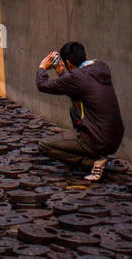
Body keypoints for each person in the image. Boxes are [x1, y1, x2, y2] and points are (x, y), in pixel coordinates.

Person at [36, 41, 125, 181]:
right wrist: (62, 75)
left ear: (68, 62)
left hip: (98, 140)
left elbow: (42, 85)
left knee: (45, 145)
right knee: (74, 111)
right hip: (115, 137)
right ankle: (95, 153)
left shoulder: (77, 77)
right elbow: (79, 93)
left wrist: (42, 67)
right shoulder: (100, 68)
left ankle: (92, 163)